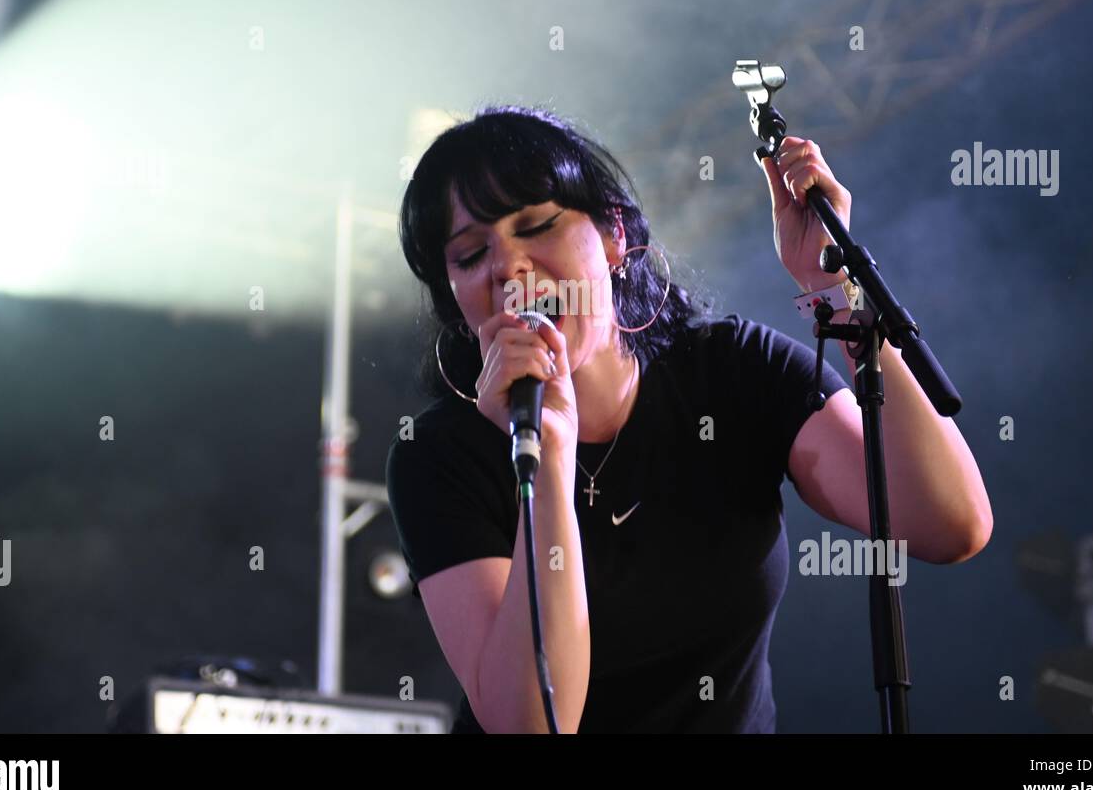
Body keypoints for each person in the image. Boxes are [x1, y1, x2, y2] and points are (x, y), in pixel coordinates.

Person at [385, 105, 993, 733]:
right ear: (454, 298)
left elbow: (950, 524)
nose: (508, 266)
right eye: (469, 255)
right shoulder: (440, 457)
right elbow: (534, 723)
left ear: (615, 234)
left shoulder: (734, 371)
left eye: (536, 224)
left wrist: (838, 291)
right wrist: (550, 452)